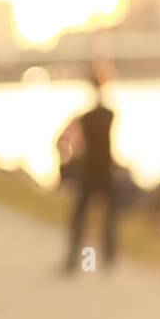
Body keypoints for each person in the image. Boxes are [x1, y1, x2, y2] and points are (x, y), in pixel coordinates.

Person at [61, 71, 119, 273]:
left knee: (80, 217)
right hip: (103, 171)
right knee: (108, 215)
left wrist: (66, 162)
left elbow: (62, 139)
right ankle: (107, 258)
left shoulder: (85, 117)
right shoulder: (109, 115)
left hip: (88, 170)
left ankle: (77, 260)